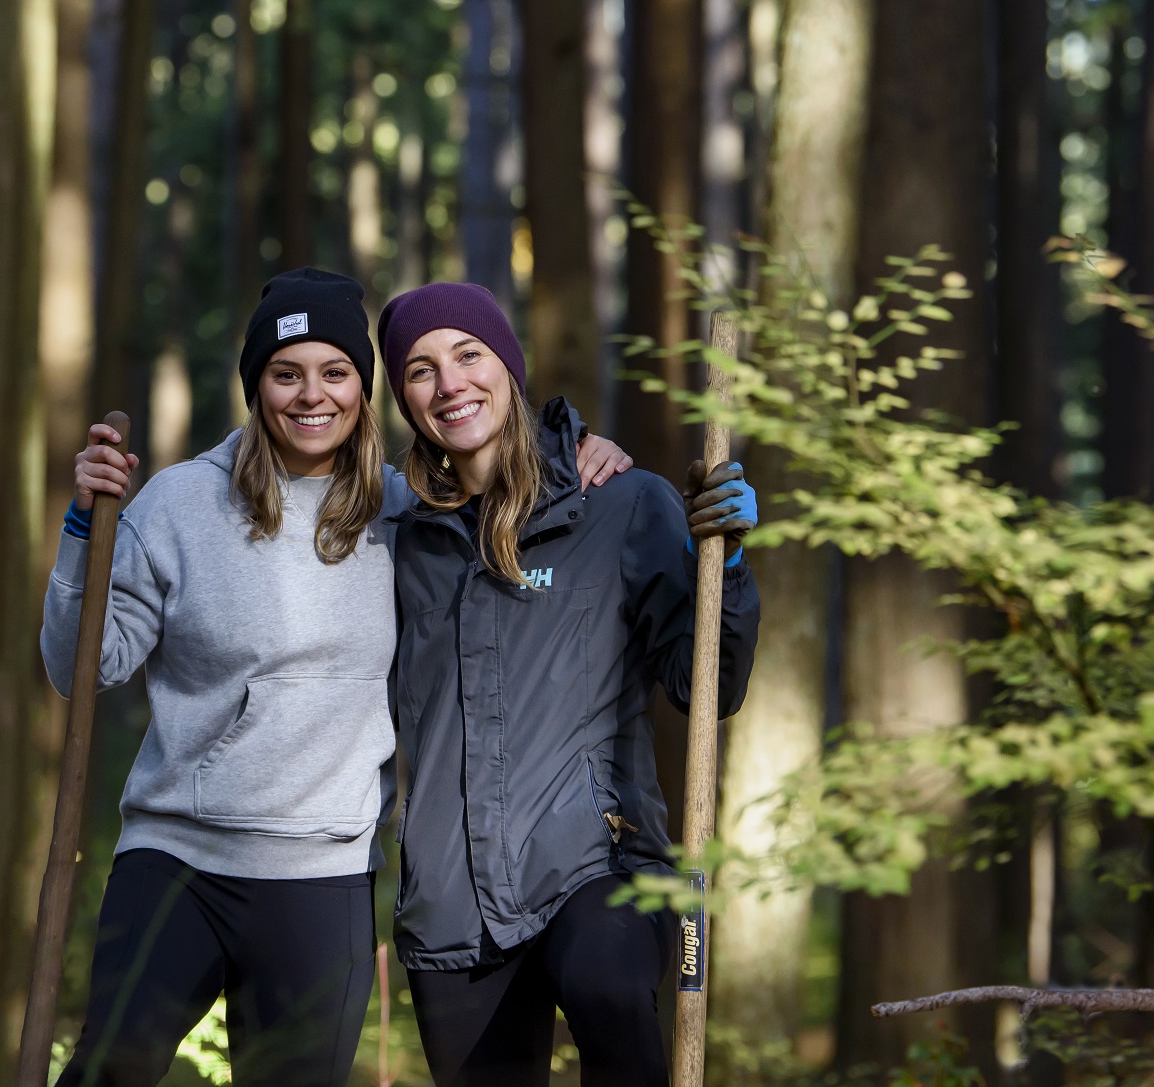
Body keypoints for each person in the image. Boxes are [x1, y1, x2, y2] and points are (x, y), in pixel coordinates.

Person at [41, 268, 634, 1087]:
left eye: (336, 372)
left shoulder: (410, 515)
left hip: (321, 875)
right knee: (114, 1068)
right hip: (179, 856)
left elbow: (514, 499)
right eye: (286, 373)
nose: (310, 395)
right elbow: (85, 666)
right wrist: (83, 530)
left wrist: (585, 452)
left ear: (363, 387)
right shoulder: (177, 506)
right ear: (257, 386)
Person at [377, 282, 763, 1087]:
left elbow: (709, 687)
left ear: (508, 367)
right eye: (420, 369)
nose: (450, 383)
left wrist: (726, 566)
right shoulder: (399, 541)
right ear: (406, 399)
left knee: (606, 986)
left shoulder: (619, 505)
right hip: (453, 903)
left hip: (599, 864)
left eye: (468, 354)